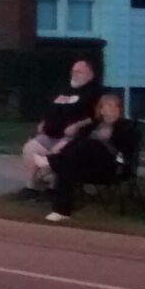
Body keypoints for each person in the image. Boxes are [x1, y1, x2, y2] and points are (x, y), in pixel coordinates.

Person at [41, 93, 137, 222]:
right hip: (88, 166)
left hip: (109, 165)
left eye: (113, 106)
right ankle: (61, 212)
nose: (109, 109)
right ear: (100, 109)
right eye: (105, 105)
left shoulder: (127, 127)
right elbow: (76, 144)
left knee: (86, 144)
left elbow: (128, 151)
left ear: (119, 108)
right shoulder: (93, 126)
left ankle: (51, 162)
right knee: (69, 165)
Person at [18, 60, 101, 199]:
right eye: (73, 71)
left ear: (90, 75)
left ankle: (54, 188)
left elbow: (97, 116)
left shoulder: (95, 92)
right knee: (30, 149)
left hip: (73, 138)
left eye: (79, 72)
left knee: (58, 152)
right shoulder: (64, 90)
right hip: (51, 134)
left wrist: (78, 125)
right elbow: (50, 110)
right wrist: (43, 123)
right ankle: (33, 186)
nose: (74, 74)